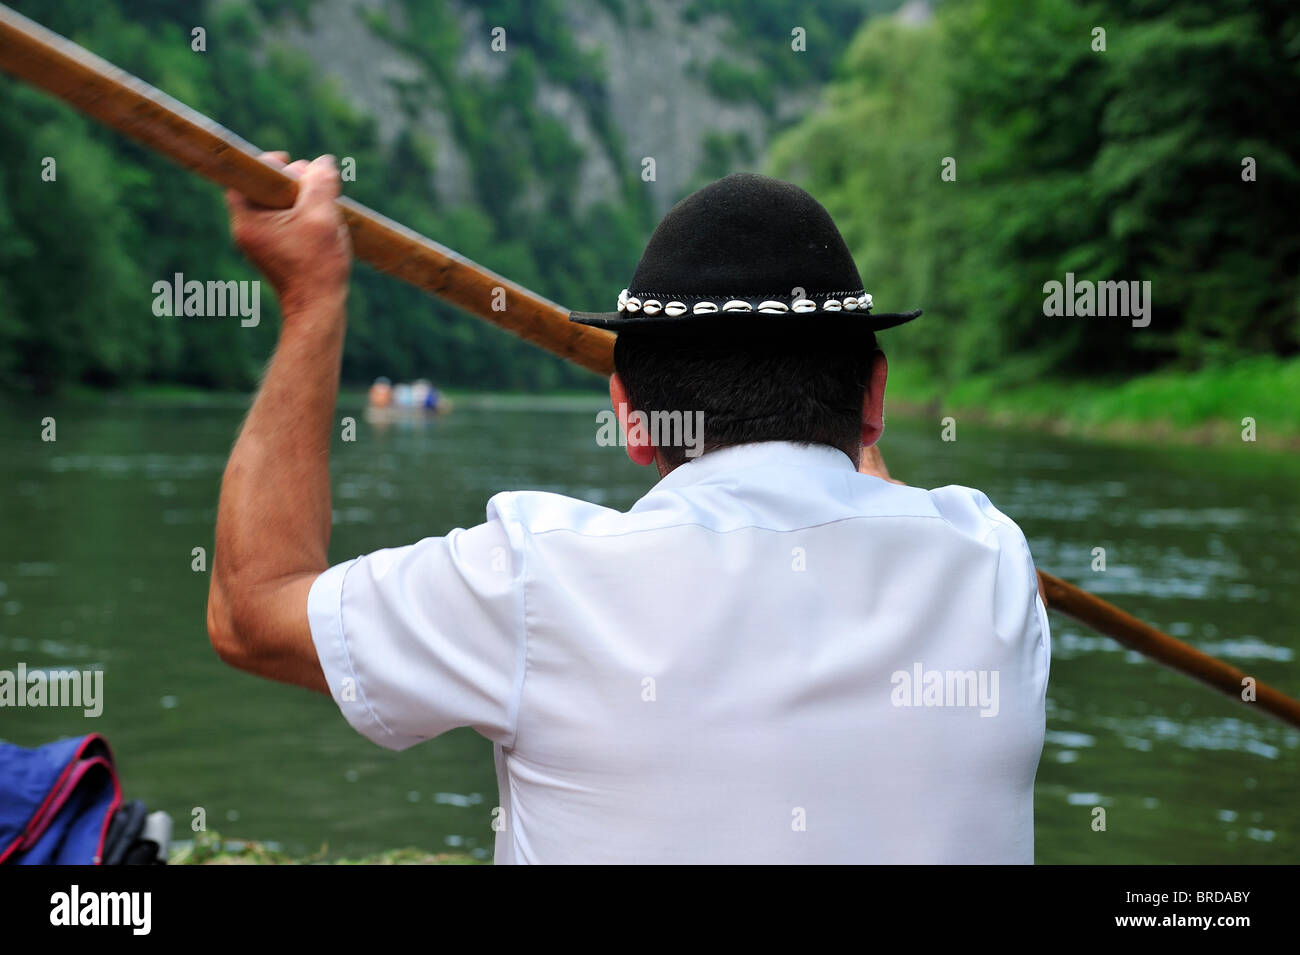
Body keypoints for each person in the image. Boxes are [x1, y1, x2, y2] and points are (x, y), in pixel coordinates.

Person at [208, 157, 1050, 864]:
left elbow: (253, 609)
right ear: (875, 399)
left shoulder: (536, 578)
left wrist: (310, 299)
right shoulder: (996, 565)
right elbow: (885, 495)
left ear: (628, 416)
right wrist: (840, 414)